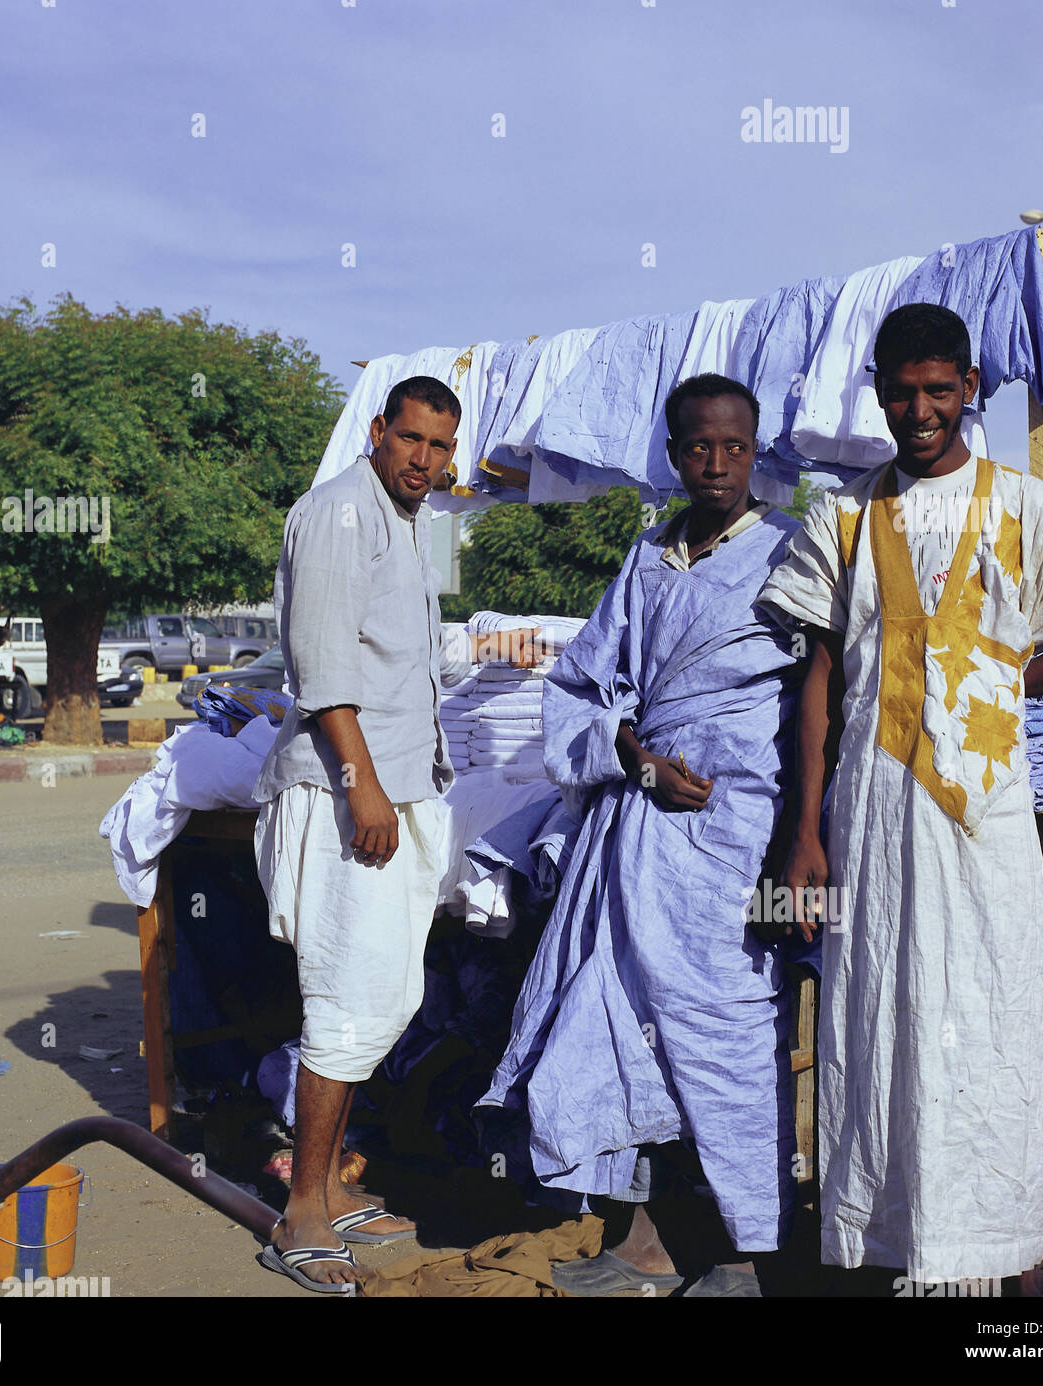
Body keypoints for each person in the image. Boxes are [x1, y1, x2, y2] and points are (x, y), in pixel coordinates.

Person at [756, 303, 1043, 1290]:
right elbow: (818, 682)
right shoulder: (840, 516)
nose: (918, 409)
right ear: (877, 391)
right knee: (876, 1013)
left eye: (937, 389)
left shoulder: (1030, 508)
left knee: (991, 1012)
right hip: (870, 812)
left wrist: (999, 679)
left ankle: (983, 1253)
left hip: (987, 820)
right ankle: (886, 1243)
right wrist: (804, 832)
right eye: (899, 390)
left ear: (969, 389)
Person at [477, 373, 805, 1295]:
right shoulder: (648, 556)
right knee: (631, 1027)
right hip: (638, 838)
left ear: (757, 452)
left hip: (738, 836)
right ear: (672, 453)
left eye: (734, 447)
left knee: (731, 1042)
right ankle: (649, 1246)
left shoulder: (791, 554)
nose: (716, 464)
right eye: (697, 447)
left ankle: (745, 1257)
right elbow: (580, 685)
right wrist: (634, 754)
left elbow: (822, 692)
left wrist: (797, 846)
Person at [252, 376, 539, 1293]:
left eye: (441, 449)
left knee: (377, 998)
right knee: (345, 1003)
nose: (426, 461)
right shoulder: (336, 515)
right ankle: (301, 1212)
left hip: (399, 787)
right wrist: (363, 788)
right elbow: (323, 671)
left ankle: (329, 1184)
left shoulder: (411, 523)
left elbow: (406, 654)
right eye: (412, 441)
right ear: (378, 432)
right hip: (351, 795)